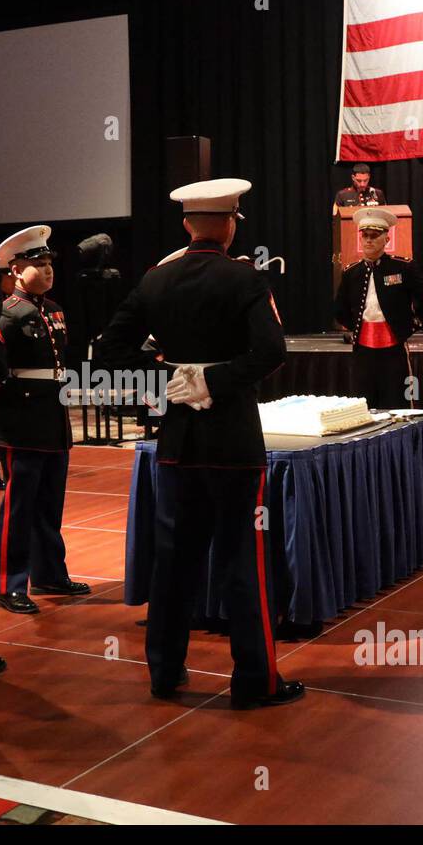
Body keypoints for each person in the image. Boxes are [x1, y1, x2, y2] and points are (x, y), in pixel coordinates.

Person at [97, 178, 303, 709]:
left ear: (187, 224)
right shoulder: (245, 279)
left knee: (174, 560)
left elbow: (110, 350)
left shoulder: (155, 281)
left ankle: (165, 673)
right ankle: (254, 681)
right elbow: (271, 353)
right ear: (230, 224)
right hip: (232, 436)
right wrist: (214, 381)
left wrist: (169, 374)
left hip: (178, 441)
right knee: (242, 561)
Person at [0, 225, 90, 615]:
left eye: (49, 264)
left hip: (53, 419)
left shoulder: (55, 310)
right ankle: (10, 584)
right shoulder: (6, 314)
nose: (48, 271)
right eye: (38, 264)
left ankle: (49, 574)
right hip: (21, 424)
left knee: (49, 504)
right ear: (15, 270)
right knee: (19, 507)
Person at [335, 207, 423, 409]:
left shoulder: (403, 268)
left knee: (398, 404)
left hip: (394, 348)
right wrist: (355, 328)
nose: (368, 240)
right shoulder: (351, 273)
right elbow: (339, 309)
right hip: (362, 350)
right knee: (363, 404)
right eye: (364, 235)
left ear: (387, 239)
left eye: (374, 236)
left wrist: (413, 324)